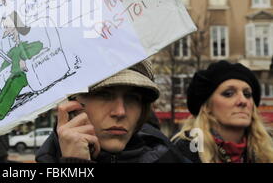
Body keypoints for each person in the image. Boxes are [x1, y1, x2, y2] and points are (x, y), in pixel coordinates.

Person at [35, 59, 188, 163]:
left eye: (132, 98)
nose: (120, 112)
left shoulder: (167, 156)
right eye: (104, 95)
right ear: (72, 104)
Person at [172, 60, 273, 163]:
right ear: (207, 106)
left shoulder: (267, 151)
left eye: (247, 94)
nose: (243, 101)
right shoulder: (181, 154)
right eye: (228, 93)